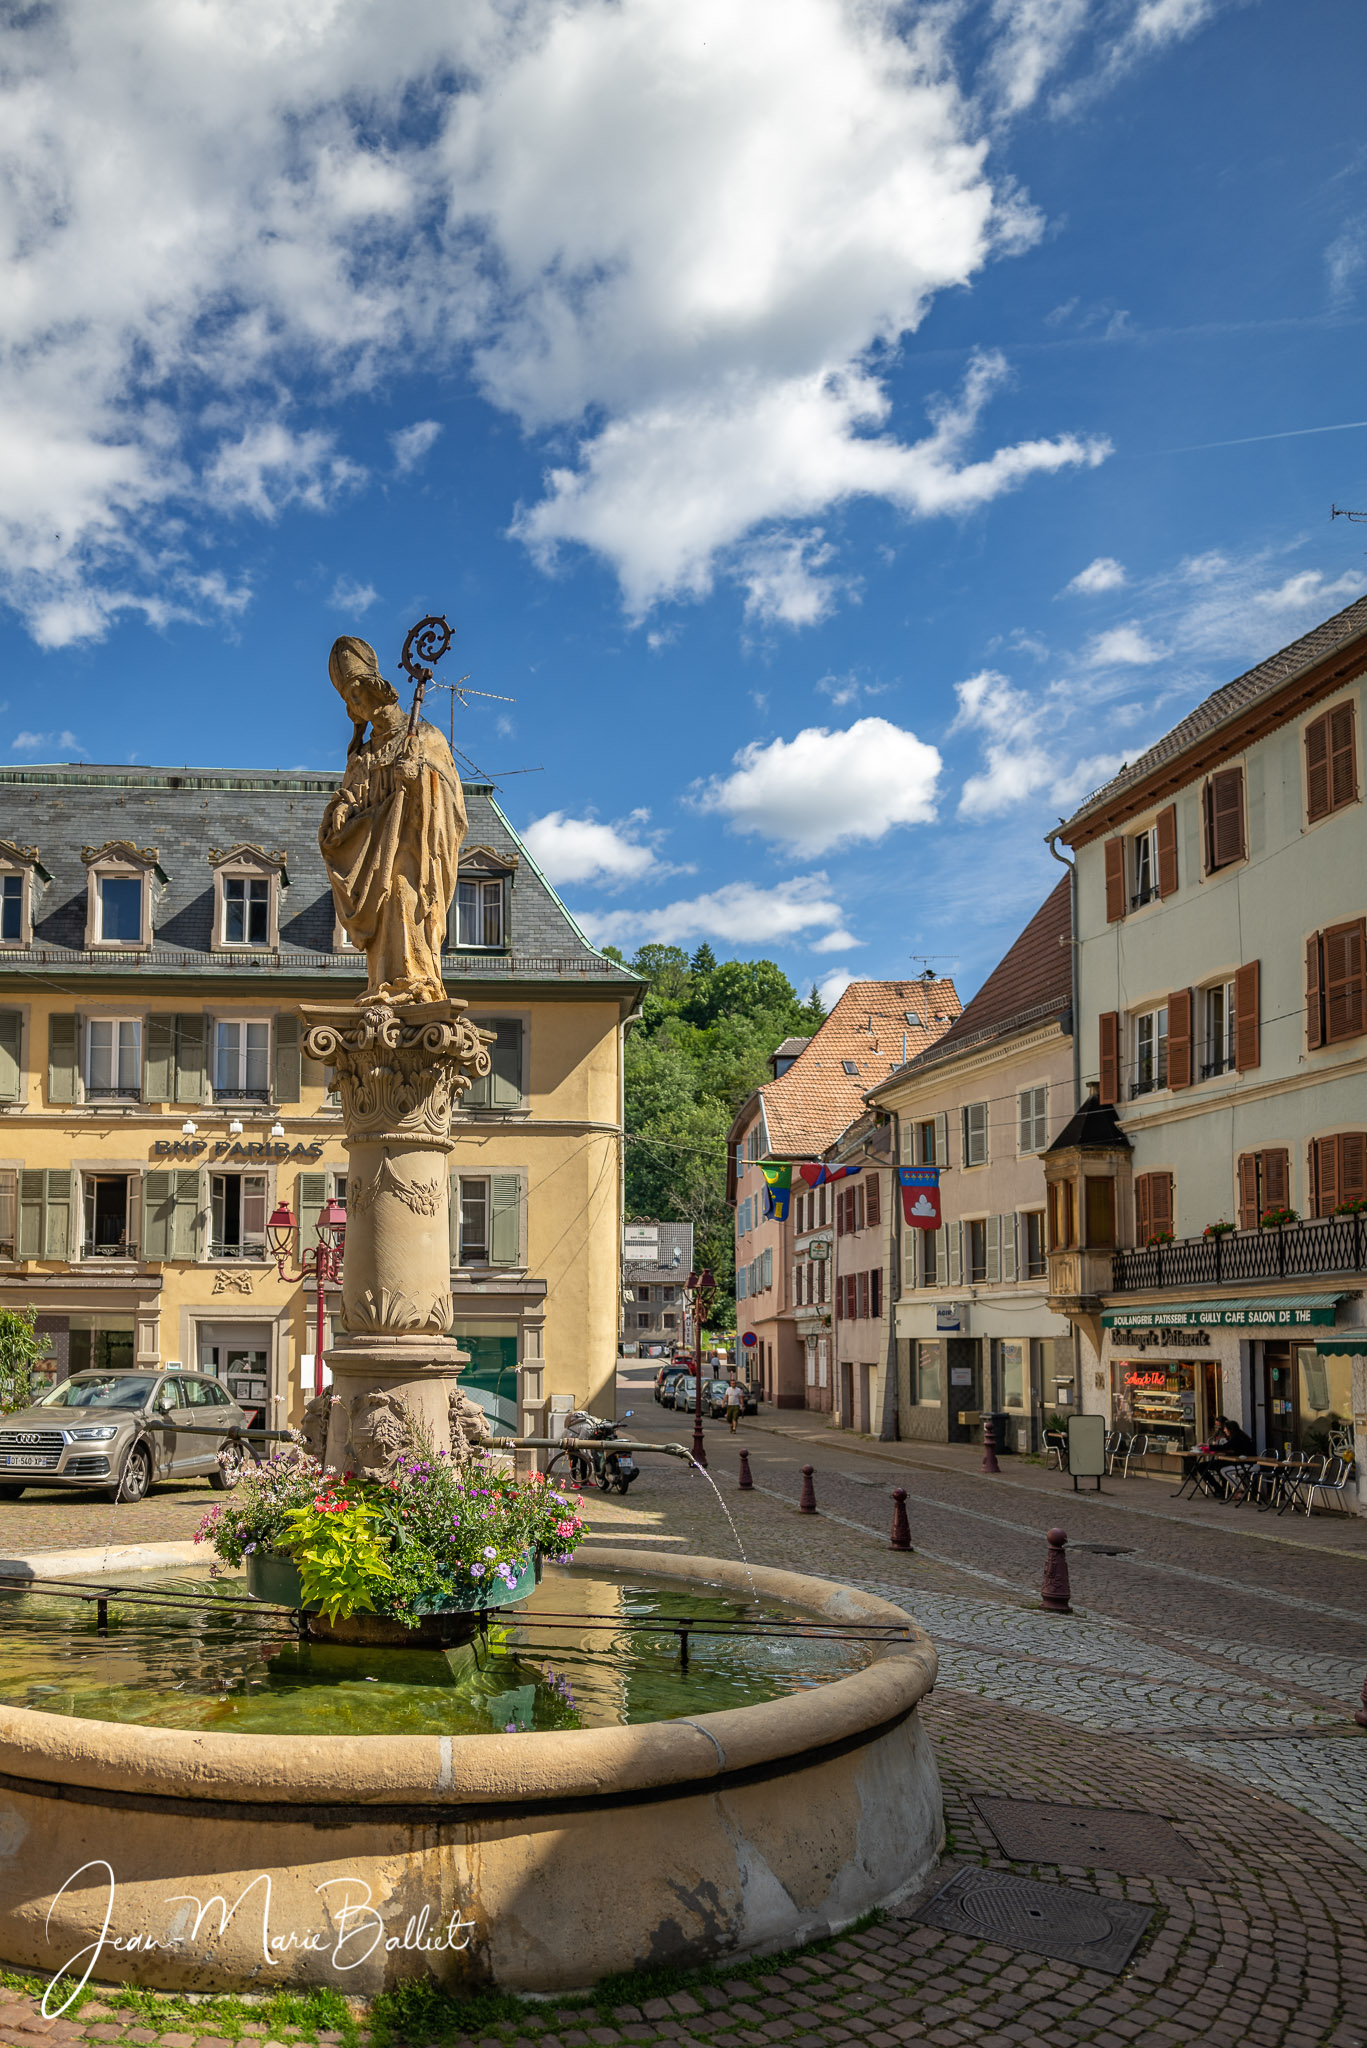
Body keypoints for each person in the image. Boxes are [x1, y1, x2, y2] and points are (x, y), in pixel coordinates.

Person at [319, 635, 467, 1006]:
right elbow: (351, 794)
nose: (355, 703)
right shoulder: (364, 754)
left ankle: (415, 980)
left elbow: (453, 807)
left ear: (376, 687)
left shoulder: (424, 736)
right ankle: (384, 983)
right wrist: (342, 808)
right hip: (374, 855)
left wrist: (420, 778)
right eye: (348, 699)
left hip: (413, 851)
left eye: (357, 692)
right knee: (384, 905)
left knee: (403, 893)